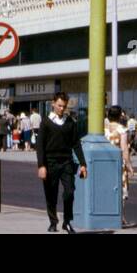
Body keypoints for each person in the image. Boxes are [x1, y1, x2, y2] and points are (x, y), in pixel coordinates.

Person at [37, 92, 87, 232]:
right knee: (51, 194)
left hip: (66, 162)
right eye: (59, 105)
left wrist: (83, 164)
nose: (61, 109)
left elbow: (76, 144)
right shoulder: (46, 122)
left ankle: (67, 221)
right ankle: (53, 222)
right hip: (50, 162)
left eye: (63, 106)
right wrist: (41, 166)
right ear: (53, 103)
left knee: (69, 192)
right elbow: (40, 146)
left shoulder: (70, 122)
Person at [105, 105, 134, 226]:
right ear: (119, 115)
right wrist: (129, 166)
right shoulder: (122, 130)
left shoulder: (103, 129)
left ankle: (106, 215)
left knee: (107, 189)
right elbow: (124, 150)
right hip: (117, 163)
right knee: (121, 190)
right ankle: (120, 217)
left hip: (105, 162)